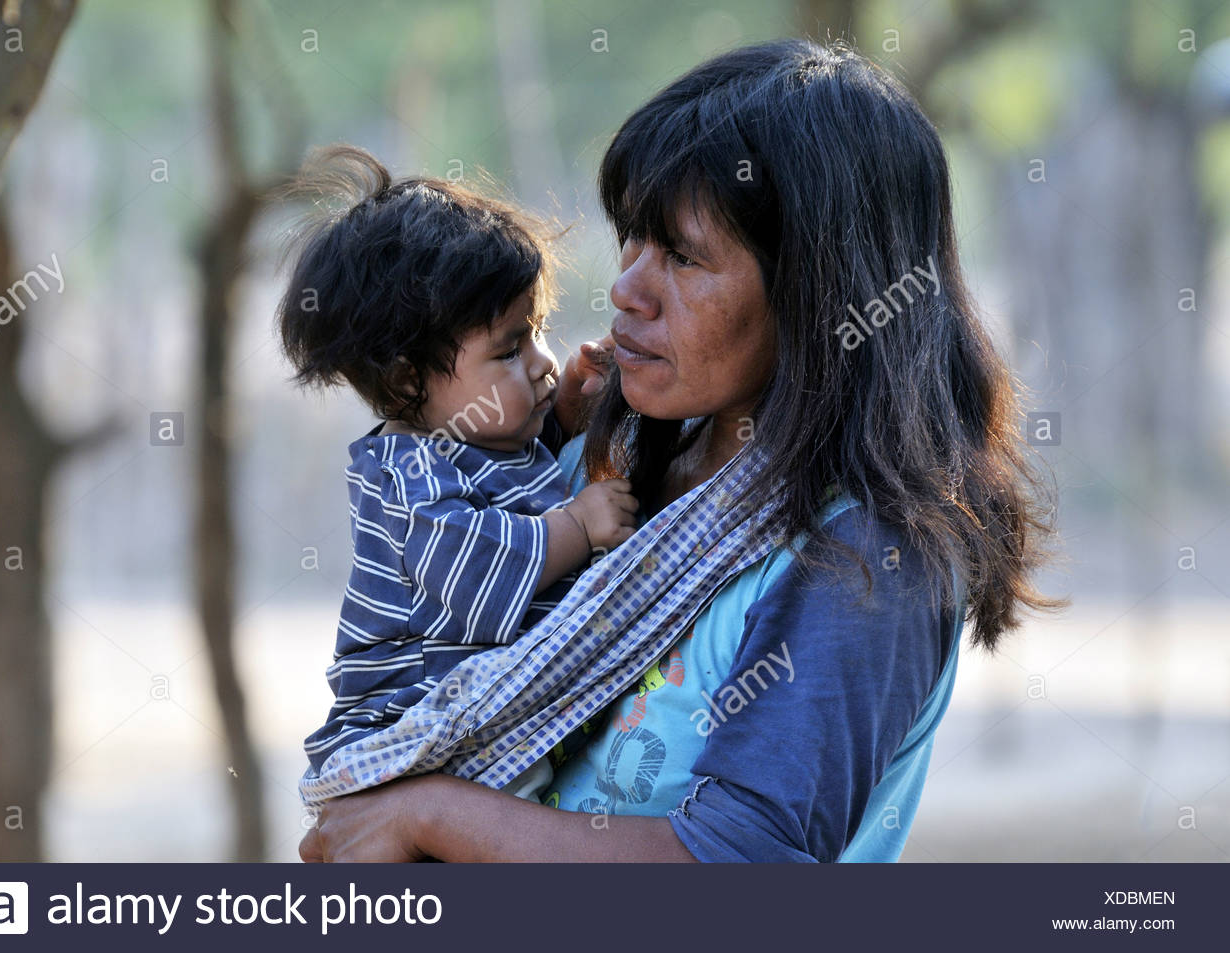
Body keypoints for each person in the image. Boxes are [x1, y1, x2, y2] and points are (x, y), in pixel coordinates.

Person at [299, 38, 1061, 863]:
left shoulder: (866, 557)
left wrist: (427, 817)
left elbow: (741, 861)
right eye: (632, 237)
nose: (627, 286)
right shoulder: (601, 462)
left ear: (818, 291)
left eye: (685, 256)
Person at [276, 146, 639, 798]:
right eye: (509, 348)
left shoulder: (476, 437)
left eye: (539, 331)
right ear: (407, 380)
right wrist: (580, 527)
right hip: (408, 736)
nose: (541, 361)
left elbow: (513, 476)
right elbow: (473, 566)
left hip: (469, 724)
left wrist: (567, 406)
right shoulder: (408, 475)